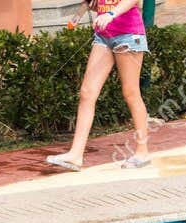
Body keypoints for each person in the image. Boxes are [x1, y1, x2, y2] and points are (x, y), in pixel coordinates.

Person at [44, 0, 150, 172]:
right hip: (104, 36)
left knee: (131, 93)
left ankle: (142, 152)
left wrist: (111, 14)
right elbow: (98, 5)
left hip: (129, 35)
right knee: (87, 92)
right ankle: (76, 155)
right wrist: (87, 9)